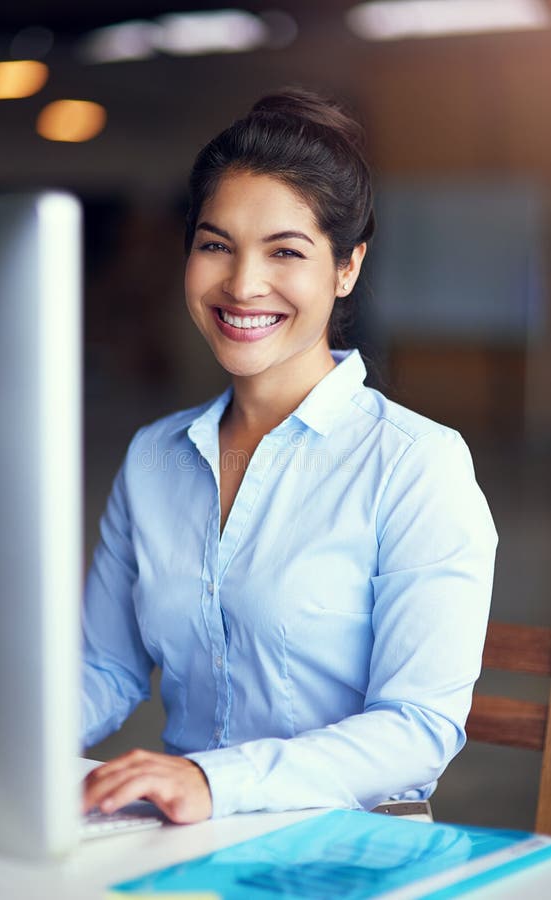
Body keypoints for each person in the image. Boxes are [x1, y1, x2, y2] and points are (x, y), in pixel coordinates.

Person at [81, 87, 497, 825]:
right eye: (215, 245)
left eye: (285, 252)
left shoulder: (416, 466)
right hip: (184, 839)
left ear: (345, 268)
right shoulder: (153, 459)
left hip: (350, 848)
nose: (242, 284)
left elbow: (417, 726)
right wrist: (1, 743)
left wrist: (213, 782)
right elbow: (104, 668)